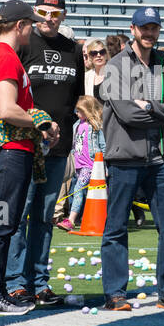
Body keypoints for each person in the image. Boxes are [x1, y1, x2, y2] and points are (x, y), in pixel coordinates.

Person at [99, 6, 164, 312]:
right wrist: (162, 107)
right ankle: (115, 293)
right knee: (116, 228)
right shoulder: (115, 66)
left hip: (160, 157)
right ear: (133, 29)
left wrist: (149, 107)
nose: (150, 33)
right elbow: (126, 113)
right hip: (125, 157)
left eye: (154, 28)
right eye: (145, 27)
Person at [0, 1, 58, 315]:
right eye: (31, 24)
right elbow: (8, 109)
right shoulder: (6, 58)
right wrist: (43, 123)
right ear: (20, 25)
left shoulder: (4, 56)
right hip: (9, 154)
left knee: (4, 224)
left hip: (14, 152)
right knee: (0, 224)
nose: (34, 29)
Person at [6, 0, 85, 308]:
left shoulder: (73, 49)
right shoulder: (24, 45)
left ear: (63, 16)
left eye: (55, 14)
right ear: (34, 14)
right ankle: (15, 283)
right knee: (19, 214)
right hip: (25, 143)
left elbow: (75, 98)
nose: (49, 19)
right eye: (42, 13)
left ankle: (39, 282)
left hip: (59, 145)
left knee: (43, 216)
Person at [59, 94, 104, 231]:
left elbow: (103, 145)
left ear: (88, 110)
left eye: (79, 111)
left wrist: (104, 166)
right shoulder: (76, 125)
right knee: (84, 192)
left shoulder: (96, 126)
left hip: (91, 165)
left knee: (78, 189)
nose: (76, 113)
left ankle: (71, 220)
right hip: (78, 165)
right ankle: (89, 217)